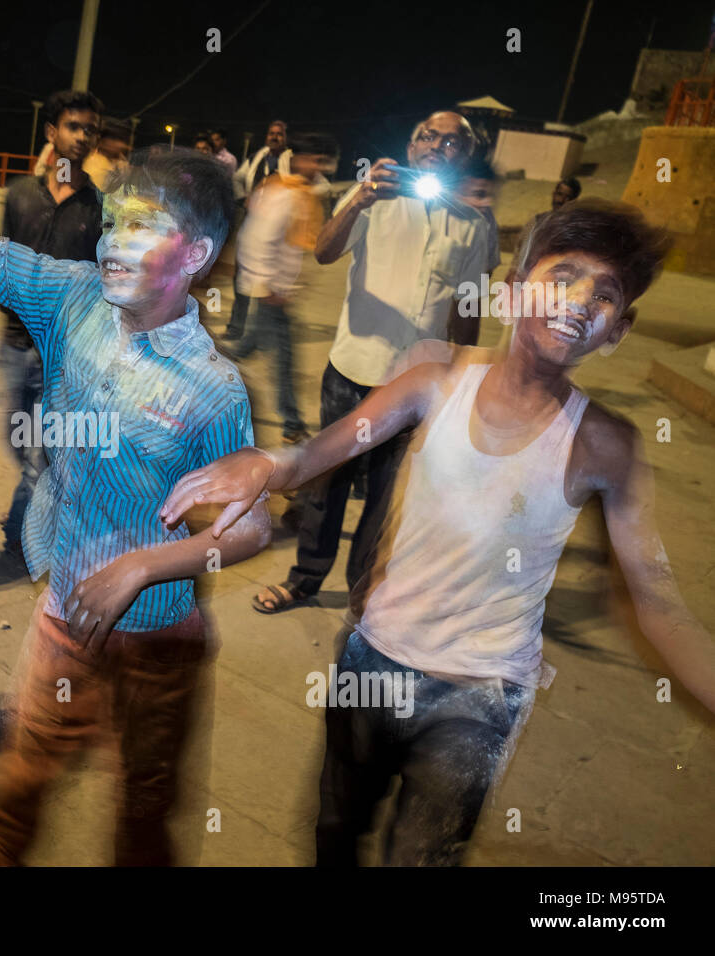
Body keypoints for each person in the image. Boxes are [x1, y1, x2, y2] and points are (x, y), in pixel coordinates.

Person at [161, 198, 715, 866]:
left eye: (603, 295)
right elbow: (325, 450)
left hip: (480, 696)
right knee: (335, 830)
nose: (577, 301)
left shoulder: (606, 443)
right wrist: (270, 463)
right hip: (373, 659)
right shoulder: (436, 379)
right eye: (562, 276)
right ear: (512, 292)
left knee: (423, 858)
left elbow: (656, 604)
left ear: (617, 331)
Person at [0, 140, 273, 864]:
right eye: (114, 222)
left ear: (194, 253)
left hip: (159, 642)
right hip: (65, 610)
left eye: (142, 226)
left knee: (146, 805)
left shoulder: (212, 390)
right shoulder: (72, 297)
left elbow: (251, 530)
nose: (114, 243)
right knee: (27, 763)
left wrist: (147, 566)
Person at [250, 110, 490, 615]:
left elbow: (467, 309)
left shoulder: (474, 227)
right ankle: (304, 580)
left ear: (465, 155)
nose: (438, 147)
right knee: (327, 484)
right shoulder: (372, 201)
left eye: (452, 142)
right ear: (410, 145)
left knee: (385, 499)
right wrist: (358, 197)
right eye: (429, 136)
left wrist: (461, 379)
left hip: (415, 387)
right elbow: (323, 252)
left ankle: (364, 594)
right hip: (352, 370)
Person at [0, 89, 103, 560]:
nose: (82, 136)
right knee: (13, 437)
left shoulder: (99, 209)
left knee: (37, 456)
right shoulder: (19, 194)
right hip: (12, 343)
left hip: (62, 353)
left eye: (90, 130)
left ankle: (18, 542)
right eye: (73, 126)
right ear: (52, 132)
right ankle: (47, 502)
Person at [225, 131, 340, 444]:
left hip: (280, 291)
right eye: (315, 160)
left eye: (323, 161)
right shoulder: (284, 193)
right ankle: (292, 425)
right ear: (299, 158)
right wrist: (267, 286)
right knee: (284, 359)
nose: (319, 167)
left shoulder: (303, 191)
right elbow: (255, 240)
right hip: (270, 293)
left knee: (249, 347)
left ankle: (209, 366)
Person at [82, 121, 131, 189]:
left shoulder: (121, 162)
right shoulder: (92, 162)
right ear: (104, 142)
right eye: (117, 140)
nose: (124, 145)